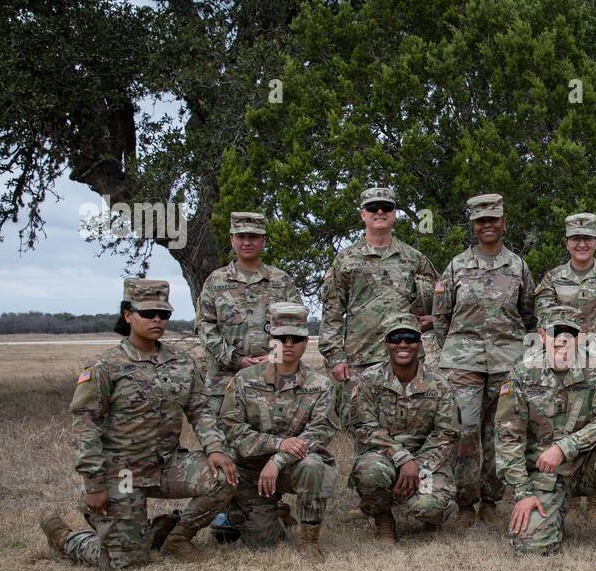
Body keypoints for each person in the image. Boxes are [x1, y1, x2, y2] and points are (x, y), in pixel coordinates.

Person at [39, 279, 237, 570]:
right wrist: (94, 484)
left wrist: (216, 449)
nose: (157, 319)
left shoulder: (181, 363)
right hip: (122, 474)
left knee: (224, 476)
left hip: (166, 465)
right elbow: (86, 429)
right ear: (128, 315)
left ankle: (175, 535)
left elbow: (200, 410)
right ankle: (66, 538)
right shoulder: (105, 366)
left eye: (164, 314)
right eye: (148, 313)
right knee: (125, 562)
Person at [495, 305, 596, 558]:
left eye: (568, 333)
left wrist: (565, 447)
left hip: (586, 465)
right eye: (554, 332)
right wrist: (523, 494)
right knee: (532, 548)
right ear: (541, 335)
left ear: (579, 338)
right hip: (546, 473)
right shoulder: (522, 374)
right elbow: (508, 438)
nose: (561, 339)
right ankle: (553, 514)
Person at [431, 192, 536, 528]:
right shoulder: (457, 265)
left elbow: (528, 313)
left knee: (500, 432)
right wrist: (454, 351)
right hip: (463, 363)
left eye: (493, 219)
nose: (487, 225)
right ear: (474, 226)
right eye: (481, 221)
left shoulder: (518, 266)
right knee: (465, 430)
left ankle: (491, 500)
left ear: (504, 223)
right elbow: (441, 317)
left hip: (506, 362)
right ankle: (465, 503)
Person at [220, 302, 339, 562]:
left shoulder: (321, 385)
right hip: (251, 469)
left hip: (291, 467)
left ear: (305, 342)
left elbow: (320, 431)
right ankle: (271, 512)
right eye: (280, 338)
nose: (287, 344)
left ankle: (309, 540)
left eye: (295, 338)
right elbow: (231, 429)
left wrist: (278, 459)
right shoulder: (245, 379)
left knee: (313, 464)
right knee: (264, 542)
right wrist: (277, 444)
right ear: (269, 340)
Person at [349, 313, 460, 542]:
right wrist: (402, 459)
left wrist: (417, 466)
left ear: (419, 343)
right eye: (395, 338)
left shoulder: (438, 383)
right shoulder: (369, 380)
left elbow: (446, 434)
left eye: (410, 338)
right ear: (386, 343)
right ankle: (383, 519)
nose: (403, 344)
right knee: (370, 472)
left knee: (428, 505)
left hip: (427, 461)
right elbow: (364, 428)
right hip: (384, 457)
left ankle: (431, 518)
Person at [319, 186, 438, 392]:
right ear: (363, 214)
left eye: (387, 207)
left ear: (394, 214)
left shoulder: (414, 258)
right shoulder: (345, 260)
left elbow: (441, 299)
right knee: (359, 422)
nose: (380, 212)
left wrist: (435, 320)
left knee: (409, 421)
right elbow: (332, 313)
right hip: (360, 361)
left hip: (407, 359)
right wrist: (335, 358)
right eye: (373, 207)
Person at [196, 211, 302, 416]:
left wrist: (276, 355)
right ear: (232, 240)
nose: (247, 242)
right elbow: (205, 327)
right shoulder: (215, 281)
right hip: (225, 381)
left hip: (273, 378)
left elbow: (296, 327)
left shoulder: (281, 281)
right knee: (223, 442)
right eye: (241, 237)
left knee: (270, 440)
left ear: (264, 241)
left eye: (253, 237)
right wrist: (236, 359)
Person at [534, 212, 596, 372]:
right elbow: (544, 320)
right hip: (561, 357)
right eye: (575, 239)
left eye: (587, 239)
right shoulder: (552, 278)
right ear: (567, 243)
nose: (582, 244)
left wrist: (594, 345)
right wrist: (566, 346)